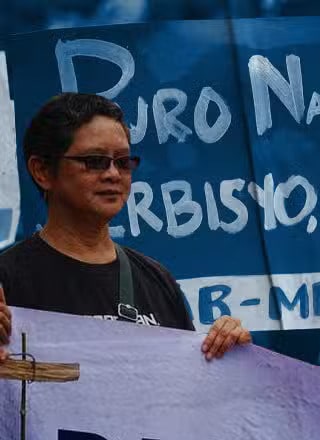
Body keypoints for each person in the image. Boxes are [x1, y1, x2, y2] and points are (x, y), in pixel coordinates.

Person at [0, 93, 249, 362]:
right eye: (94, 161)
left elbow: (185, 391)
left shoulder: (157, 279)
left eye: (123, 162)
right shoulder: (8, 279)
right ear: (43, 172)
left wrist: (224, 352)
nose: (113, 174)